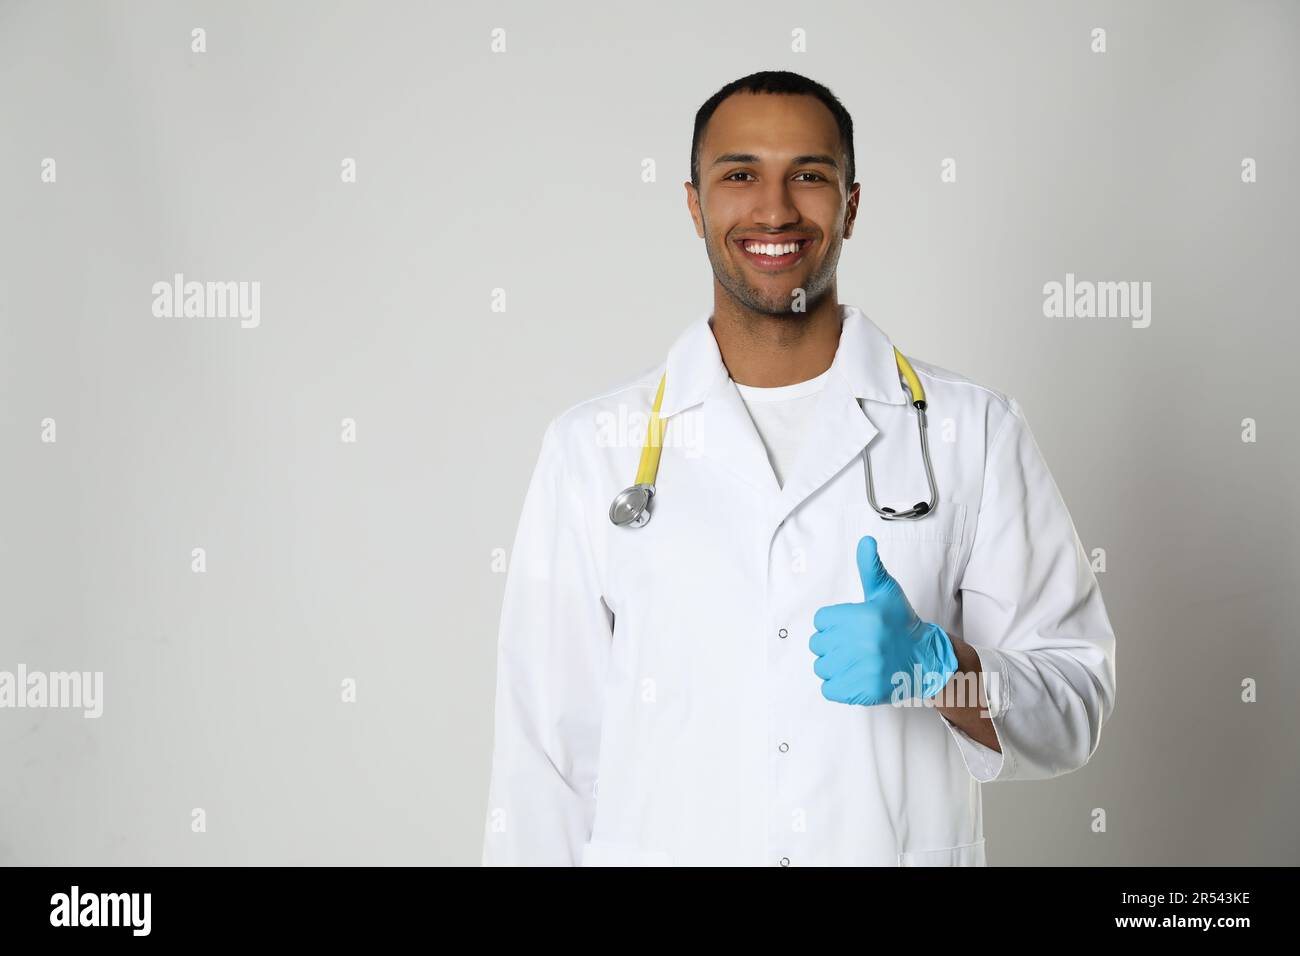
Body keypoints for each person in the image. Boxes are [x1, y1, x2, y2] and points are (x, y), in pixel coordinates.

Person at [481, 70, 1116, 866]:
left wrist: (940, 670)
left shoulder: (971, 431)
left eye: (809, 176)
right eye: (739, 174)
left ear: (851, 203)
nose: (775, 209)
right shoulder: (591, 448)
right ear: (694, 203)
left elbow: (1076, 706)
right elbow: (544, 762)